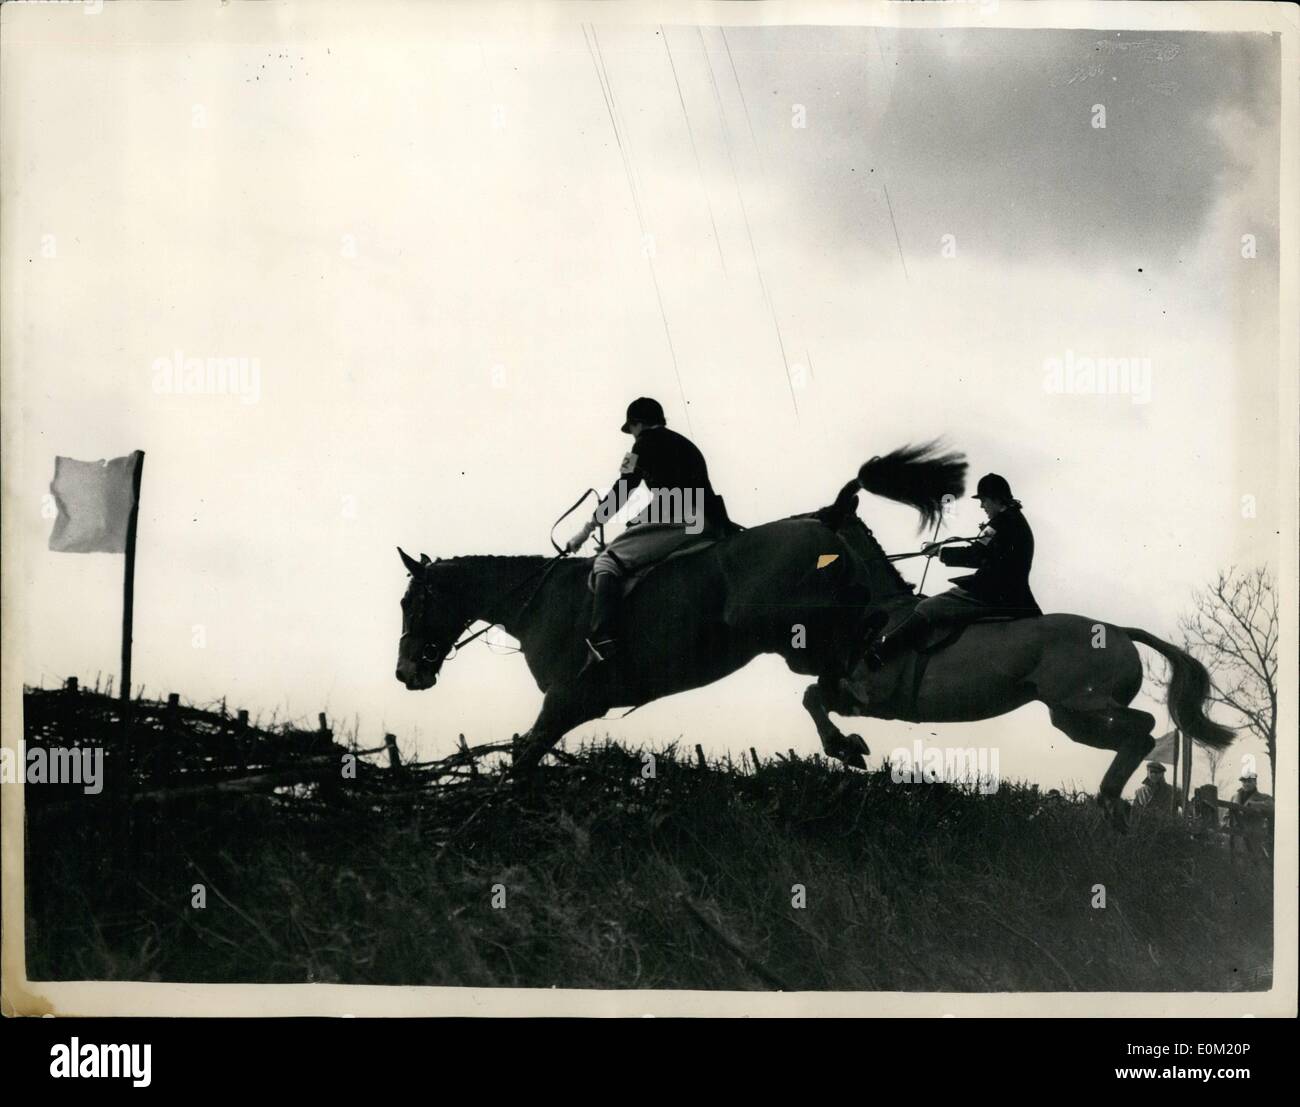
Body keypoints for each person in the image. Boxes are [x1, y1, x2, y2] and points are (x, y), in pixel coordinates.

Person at [565, 397, 735, 667]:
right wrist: (636, 522)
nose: (631, 434)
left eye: (630, 428)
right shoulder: (685, 443)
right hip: (709, 519)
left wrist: (585, 531)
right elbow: (672, 497)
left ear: (637, 424)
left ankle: (602, 640)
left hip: (683, 519)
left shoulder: (639, 446)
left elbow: (623, 489)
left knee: (607, 560)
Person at [866, 472, 1040, 670]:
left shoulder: (1001, 523)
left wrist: (939, 551)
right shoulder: (1014, 519)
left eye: (983, 501)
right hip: (1010, 593)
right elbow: (986, 552)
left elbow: (977, 555)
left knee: (926, 608)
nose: (982, 506)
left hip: (991, 594)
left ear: (994, 498)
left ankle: (882, 653)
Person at [1229, 770, 1273, 858]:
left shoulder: (1263, 797)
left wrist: (1254, 804)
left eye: (1249, 781)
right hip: (1235, 837)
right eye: (1244, 781)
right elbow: (1227, 814)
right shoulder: (1234, 797)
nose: (1246, 784)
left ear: (1255, 782)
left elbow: (1272, 807)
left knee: (1253, 864)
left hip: (1253, 838)